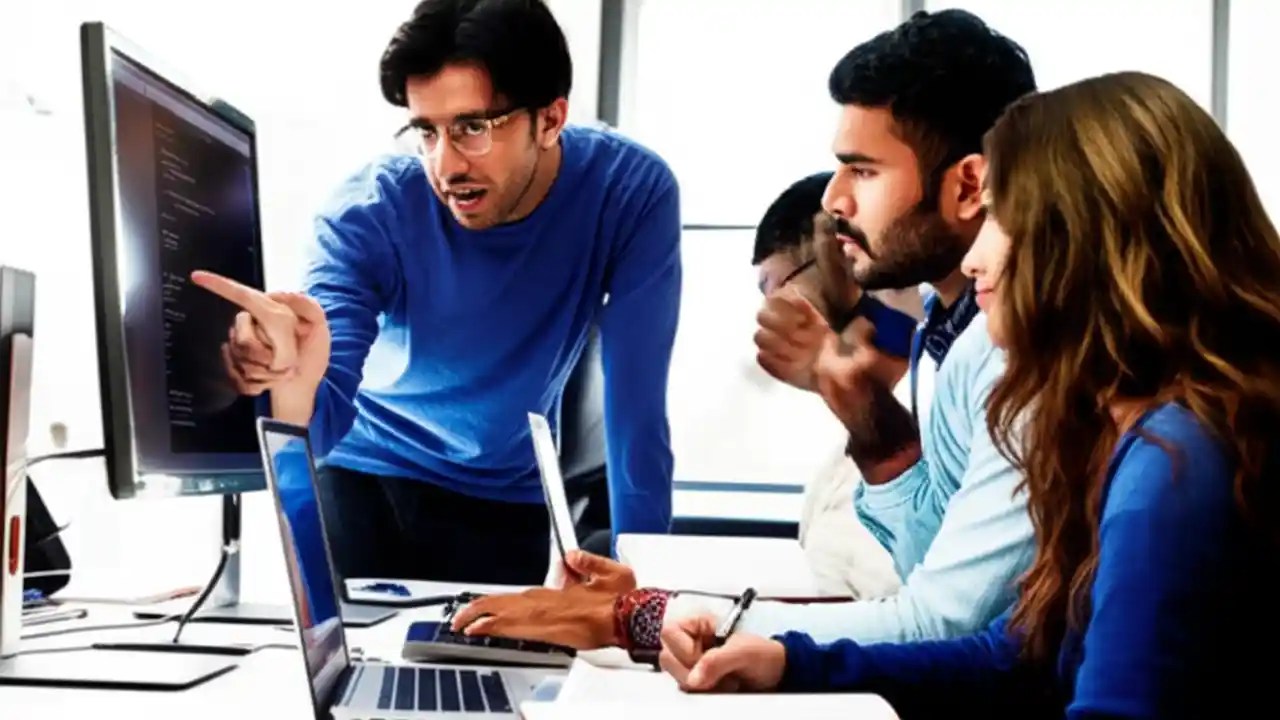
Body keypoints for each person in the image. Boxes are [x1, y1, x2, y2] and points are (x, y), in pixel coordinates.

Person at [657, 70, 1280, 720]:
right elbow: (1019, 656)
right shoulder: (1125, 432)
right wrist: (790, 663)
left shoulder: (1171, 464)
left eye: (1001, 218)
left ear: (1088, 241)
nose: (975, 257)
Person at [449, 9, 1040, 653]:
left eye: (864, 170)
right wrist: (868, 418)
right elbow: (927, 577)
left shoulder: (1011, 352)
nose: (834, 200)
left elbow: (944, 624)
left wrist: (643, 617)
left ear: (970, 185)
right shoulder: (944, 335)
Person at [190, 0, 682, 585]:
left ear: (550, 120)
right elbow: (317, 421)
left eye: (473, 128)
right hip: (366, 469)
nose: (446, 166)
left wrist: (644, 591)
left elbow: (636, 412)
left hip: (509, 490)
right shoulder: (368, 212)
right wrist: (283, 378)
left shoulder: (630, 191)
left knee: (511, 645)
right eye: (427, 131)